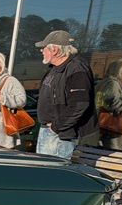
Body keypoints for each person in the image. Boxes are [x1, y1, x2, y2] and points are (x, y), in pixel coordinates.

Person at [34, 30, 96, 160]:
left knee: (52, 175)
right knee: (43, 172)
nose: (41, 51)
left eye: (43, 48)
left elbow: (80, 104)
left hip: (60, 135)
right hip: (48, 131)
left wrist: (56, 127)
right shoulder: (54, 69)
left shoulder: (76, 68)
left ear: (54, 50)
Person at [96, 58, 122, 151]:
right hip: (111, 133)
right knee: (110, 158)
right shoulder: (112, 83)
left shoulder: (107, 82)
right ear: (119, 70)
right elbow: (112, 103)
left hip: (105, 132)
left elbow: (107, 101)